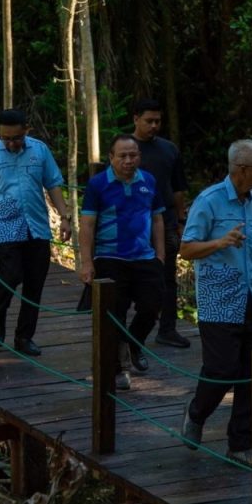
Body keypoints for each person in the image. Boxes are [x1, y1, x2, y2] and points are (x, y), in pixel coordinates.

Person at [179, 139, 252, 465]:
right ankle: (197, 412)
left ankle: (239, 443)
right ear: (241, 170)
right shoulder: (209, 201)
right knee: (222, 370)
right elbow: (186, 249)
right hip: (219, 300)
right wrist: (221, 242)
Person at [0, 109, 71, 357]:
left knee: (35, 282)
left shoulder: (40, 150)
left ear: (26, 131)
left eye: (16, 138)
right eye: (5, 138)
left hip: (36, 225)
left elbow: (53, 184)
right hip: (5, 223)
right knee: (11, 274)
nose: (11, 143)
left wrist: (64, 217)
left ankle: (24, 337)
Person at [78, 134, 166, 390]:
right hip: (109, 257)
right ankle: (118, 369)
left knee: (152, 306)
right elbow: (87, 224)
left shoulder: (148, 180)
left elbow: (157, 219)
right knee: (114, 315)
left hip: (144, 256)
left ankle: (134, 344)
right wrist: (87, 262)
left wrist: (160, 256)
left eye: (133, 155)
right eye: (123, 156)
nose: (128, 160)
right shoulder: (98, 184)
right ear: (111, 157)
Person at [131, 98, 191, 348]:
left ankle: (167, 329)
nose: (154, 126)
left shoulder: (169, 149)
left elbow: (177, 187)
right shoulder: (126, 148)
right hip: (132, 221)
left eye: (158, 121)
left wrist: (181, 220)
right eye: (149, 121)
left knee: (167, 275)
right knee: (131, 274)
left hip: (165, 219)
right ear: (136, 119)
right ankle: (129, 330)